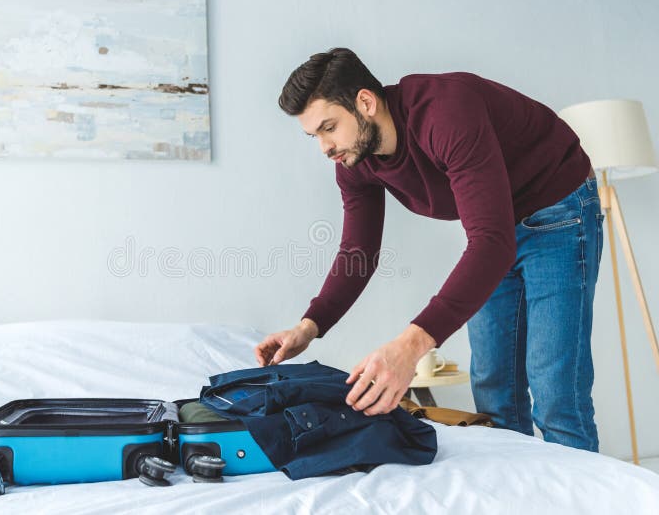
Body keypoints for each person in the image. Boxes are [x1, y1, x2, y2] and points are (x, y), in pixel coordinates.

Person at [254, 47, 602, 452]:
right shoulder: (355, 161)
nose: (325, 148)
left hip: (557, 209)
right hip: (494, 230)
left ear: (365, 102)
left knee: (557, 395)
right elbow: (359, 251)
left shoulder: (445, 113)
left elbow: (491, 244)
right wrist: (308, 326)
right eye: (315, 135)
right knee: (495, 393)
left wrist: (408, 349)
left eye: (329, 127)